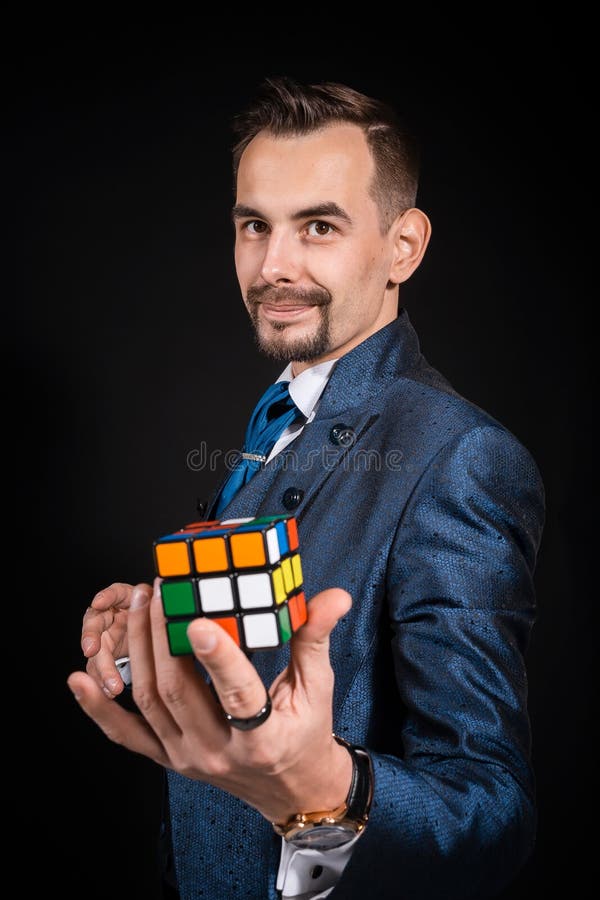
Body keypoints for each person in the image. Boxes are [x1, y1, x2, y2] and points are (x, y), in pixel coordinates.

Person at [67, 76, 545, 900]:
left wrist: (326, 788)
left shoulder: (462, 455)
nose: (273, 267)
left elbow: (490, 815)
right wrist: (157, 631)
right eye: (255, 225)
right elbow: (263, 660)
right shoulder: (285, 416)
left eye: (319, 226)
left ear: (404, 246)